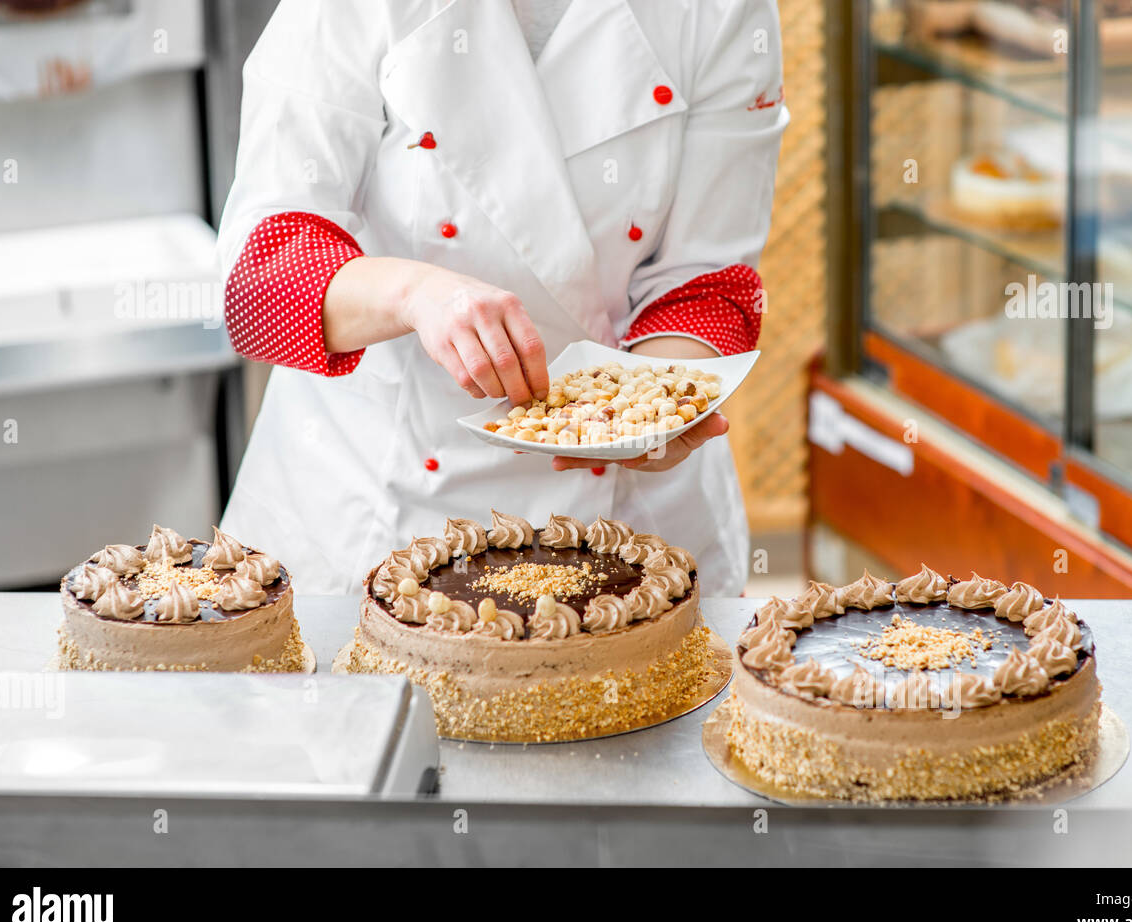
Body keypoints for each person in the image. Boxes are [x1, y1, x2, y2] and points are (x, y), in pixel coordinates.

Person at [216, 0, 788, 596]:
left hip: (634, 520)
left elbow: (707, 279)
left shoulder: (720, 11)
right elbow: (259, 276)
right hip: (380, 508)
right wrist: (417, 295)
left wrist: (659, 403)